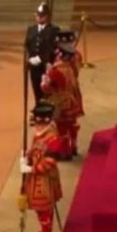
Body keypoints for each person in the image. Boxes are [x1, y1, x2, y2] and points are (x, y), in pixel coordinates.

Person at [19, 102, 65, 232]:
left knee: (43, 209)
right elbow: (34, 150)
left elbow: (49, 162)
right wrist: (27, 156)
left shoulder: (53, 139)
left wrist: (31, 168)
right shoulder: (40, 134)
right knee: (43, 209)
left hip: (44, 179)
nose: (36, 125)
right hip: (36, 178)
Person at [40, 31, 84, 161]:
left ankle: (65, 151)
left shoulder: (57, 69)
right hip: (72, 94)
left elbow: (46, 87)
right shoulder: (74, 58)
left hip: (60, 100)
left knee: (61, 126)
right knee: (71, 123)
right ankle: (73, 145)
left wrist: (45, 77)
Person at [25, 3, 59, 102]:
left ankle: (47, 110)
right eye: (38, 15)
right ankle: (38, 109)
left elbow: (53, 47)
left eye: (42, 15)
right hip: (34, 66)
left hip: (46, 66)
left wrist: (41, 58)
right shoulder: (31, 29)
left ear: (47, 16)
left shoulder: (54, 30)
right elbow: (27, 44)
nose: (39, 17)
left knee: (47, 90)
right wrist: (30, 58)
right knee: (36, 88)